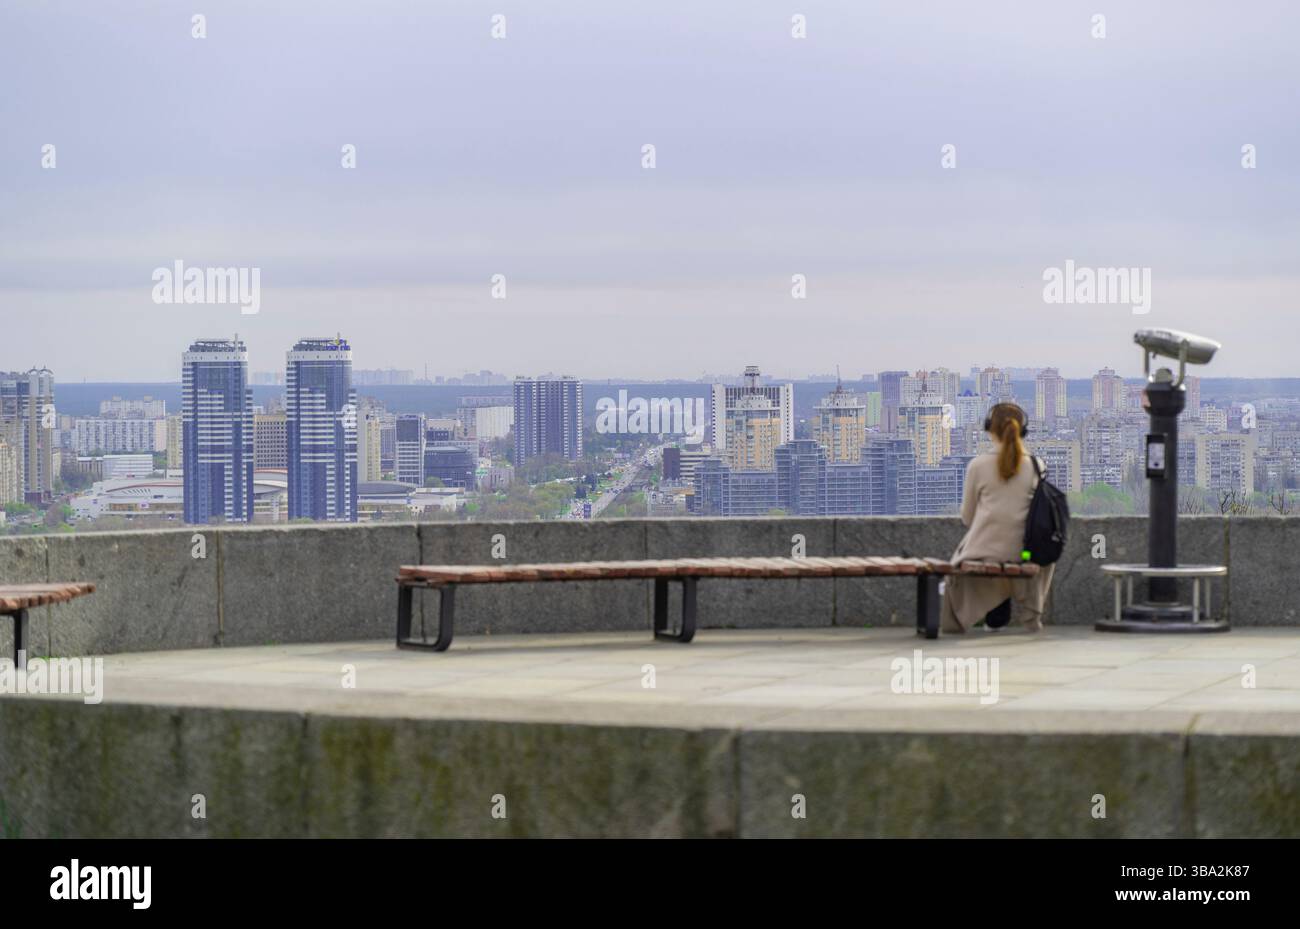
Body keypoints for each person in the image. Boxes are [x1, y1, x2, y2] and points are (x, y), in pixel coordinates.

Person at [940, 402, 1055, 634]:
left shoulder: (978, 466)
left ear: (989, 429)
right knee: (1027, 558)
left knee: (965, 565)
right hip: (1026, 552)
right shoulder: (1036, 465)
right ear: (1023, 430)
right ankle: (1029, 614)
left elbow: (968, 518)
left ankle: (991, 614)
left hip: (984, 551)